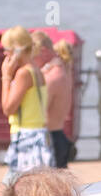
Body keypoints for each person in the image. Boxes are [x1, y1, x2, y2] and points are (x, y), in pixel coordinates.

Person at [0, 26, 53, 185]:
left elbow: (8, 108)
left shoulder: (24, 74)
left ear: (17, 51)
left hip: (25, 136)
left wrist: (6, 77)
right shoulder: (37, 70)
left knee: (7, 191)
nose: (4, 54)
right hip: (38, 135)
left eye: (7, 49)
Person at [31, 32, 74, 168]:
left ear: (43, 51)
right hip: (58, 136)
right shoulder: (63, 69)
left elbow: (37, 111)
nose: (32, 61)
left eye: (33, 56)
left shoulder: (52, 77)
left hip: (51, 139)